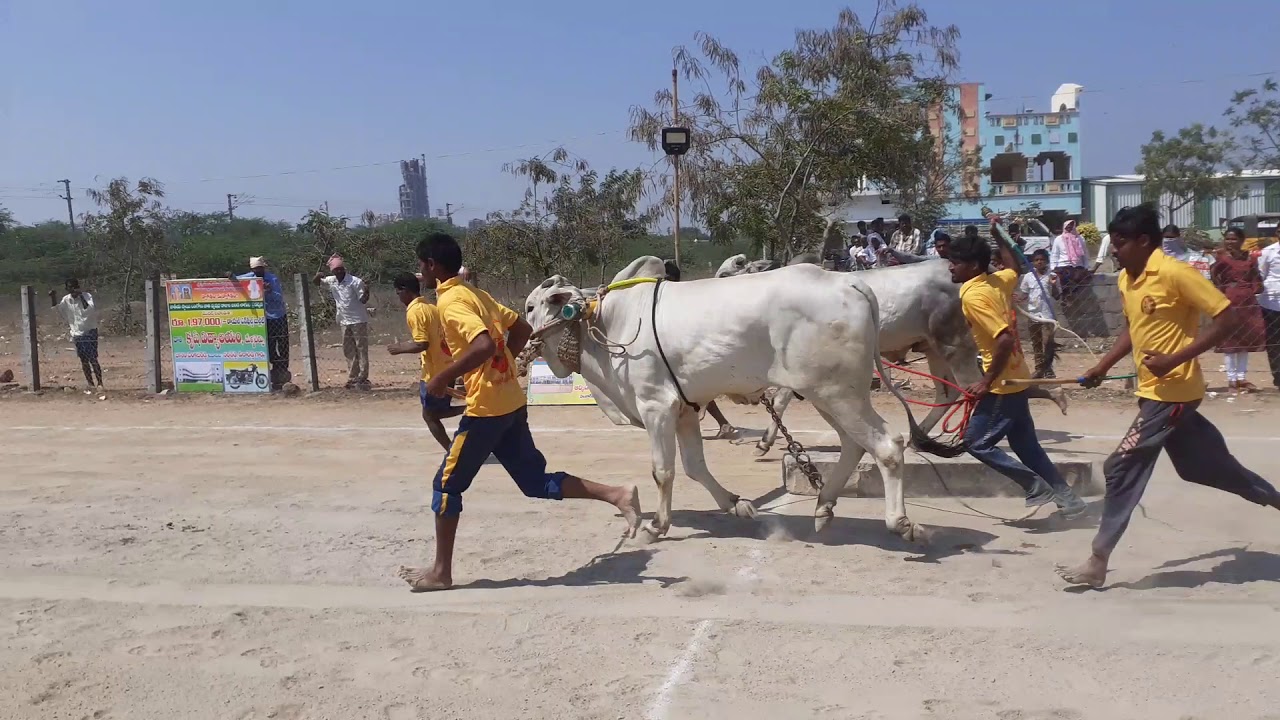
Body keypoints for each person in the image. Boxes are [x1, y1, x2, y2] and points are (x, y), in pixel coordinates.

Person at [398, 232, 642, 591]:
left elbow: (482, 343)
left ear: (432, 265)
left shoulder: (451, 302)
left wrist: (443, 378)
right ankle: (617, 494)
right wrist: (501, 366)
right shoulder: (476, 293)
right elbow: (522, 328)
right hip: (510, 399)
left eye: (422, 265)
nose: (420, 272)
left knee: (446, 486)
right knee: (533, 482)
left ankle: (440, 572)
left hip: (486, 410)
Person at [1057, 205, 1280, 589]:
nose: (1115, 250)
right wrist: (1103, 366)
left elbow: (1227, 318)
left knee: (1120, 467)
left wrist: (1175, 358)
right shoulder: (1129, 278)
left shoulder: (1175, 273)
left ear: (1144, 241)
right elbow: (1132, 328)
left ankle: (1097, 561)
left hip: (1173, 392)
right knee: (1202, 467)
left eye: (1121, 243)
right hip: (1154, 392)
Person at [948, 218, 1086, 518]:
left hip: (1002, 385)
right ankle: (1070, 500)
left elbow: (1005, 338)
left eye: (955, 262)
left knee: (976, 443)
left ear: (972, 266)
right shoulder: (996, 281)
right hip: (1017, 377)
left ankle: (1035, 486)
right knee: (1027, 448)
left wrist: (986, 381)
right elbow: (1014, 267)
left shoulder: (973, 294)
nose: (950, 267)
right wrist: (999, 234)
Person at [664, 260, 739, 439]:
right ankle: (722, 423)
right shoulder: (671, 297)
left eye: (665, 277)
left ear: (672, 278)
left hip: (685, 351)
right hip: (677, 350)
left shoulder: (679, 297)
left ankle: (722, 423)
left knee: (693, 389)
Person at [388, 272, 463, 451]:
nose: (399, 298)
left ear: (403, 290)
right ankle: (469, 412)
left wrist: (399, 349)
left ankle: (453, 451)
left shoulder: (415, 311)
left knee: (430, 416)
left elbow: (422, 343)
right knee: (438, 411)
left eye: (398, 293)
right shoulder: (431, 306)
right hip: (447, 366)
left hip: (433, 372)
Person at [1211, 228, 1266, 393]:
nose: (1230, 242)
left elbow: (1256, 278)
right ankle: (1231, 379)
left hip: (1248, 301)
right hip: (1228, 300)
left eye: (1233, 239)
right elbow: (1214, 276)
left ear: (1241, 240)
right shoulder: (1221, 258)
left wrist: (1255, 288)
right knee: (1230, 340)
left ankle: (1241, 377)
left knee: (1245, 339)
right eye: (1228, 239)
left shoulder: (1250, 258)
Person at [314, 255, 371, 389]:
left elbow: (363, 300)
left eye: (341, 269)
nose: (339, 272)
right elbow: (317, 283)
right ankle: (352, 377)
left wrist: (367, 291)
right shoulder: (332, 280)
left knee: (361, 349)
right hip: (344, 320)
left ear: (344, 268)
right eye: (336, 270)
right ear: (333, 271)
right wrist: (317, 276)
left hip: (358, 320)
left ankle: (362, 377)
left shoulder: (355, 282)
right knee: (349, 349)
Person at [234, 257, 289, 390]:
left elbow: (279, 297)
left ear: (263, 268)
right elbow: (237, 279)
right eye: (255, 269)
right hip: (263, 318)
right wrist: (230, 276)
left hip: (278, 316)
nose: (258, 272)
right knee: (269, 345)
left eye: (260, 269)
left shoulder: (272, 279)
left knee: (282, 344)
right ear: (252, 269)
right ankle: (274, 367)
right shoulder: (251, 277)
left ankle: (282, 369)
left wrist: (269, 291)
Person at [48, 278, 103, 391]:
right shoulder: (66, 300)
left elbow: (89, 310)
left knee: (93, 358)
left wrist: (81, 296)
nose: (72, 290)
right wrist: (53, 298)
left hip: (89, 331)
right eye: (70, 287)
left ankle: (100, 383)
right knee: (84, 360)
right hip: (77, 333)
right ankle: (90, 383)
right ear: (67, 289)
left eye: (74, 287)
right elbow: (57, 310)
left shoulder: (87, 296)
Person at [1015, 249, 1061, 379]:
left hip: (1048, 316)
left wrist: (1053, 285)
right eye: (1037, 260)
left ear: (1046, 261)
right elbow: (1024, 294)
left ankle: (1048, 368)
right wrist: (1017, 298)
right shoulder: (1028, 277)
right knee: (1036, 343)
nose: (1039, 262)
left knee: (1048, 343)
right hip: (1033, 314)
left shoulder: (1052, 276)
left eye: (1042, 259)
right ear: (1033, 262)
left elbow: (1057, 296)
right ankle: (1039, 368)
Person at [1258, 226, 1280, 389]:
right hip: (1272, 304)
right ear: (1277, 233)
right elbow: (1260, 274)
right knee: (1274, 342)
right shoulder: (1268, 252)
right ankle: (1278, 376)